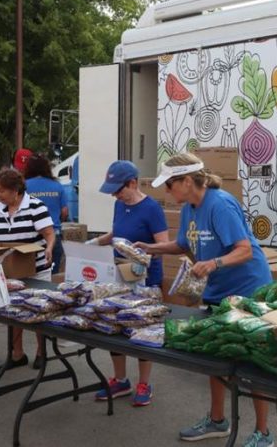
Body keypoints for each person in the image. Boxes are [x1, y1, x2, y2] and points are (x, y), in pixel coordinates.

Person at [136, 153, 274, 447]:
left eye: (170, 185)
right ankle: (217, 420)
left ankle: (263, 433)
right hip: (218, 292)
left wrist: (213, 263)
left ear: (187, 181)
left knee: (254, 362)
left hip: (248, 290)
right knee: (215, 357)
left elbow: (245, 250)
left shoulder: (220, 204)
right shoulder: (189, 208)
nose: (167, 191)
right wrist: (150, 248)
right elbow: (182, 244)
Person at [90, 160, 168, 407]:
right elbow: (116, 234)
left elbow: (163, 244)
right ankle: (121, 379)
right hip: (120, 277)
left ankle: (144, 383)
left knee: (143, 330)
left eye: (118, 190)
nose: (115, 195)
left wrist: (142, 257)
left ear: (133, 183)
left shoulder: (152, 208)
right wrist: (94, 243)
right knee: (116, 325)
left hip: (146, 278)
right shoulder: (119, 205)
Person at [0, 168, 55, 370]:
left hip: (36, 268)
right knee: (13, 312)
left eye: (2, 190)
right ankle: (17, 354)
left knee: (38, 311)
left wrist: (49, 248)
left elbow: (49, 233)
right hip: (11, 270)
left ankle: (41, 352)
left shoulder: (35, 206)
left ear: (15, 190)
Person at [24, 154, 68, 273]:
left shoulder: (24, 186)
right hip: (54, 236)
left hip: (31, 238)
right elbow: (64, 211)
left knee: (29, 275)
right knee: (53, 275)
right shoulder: (57, 186)